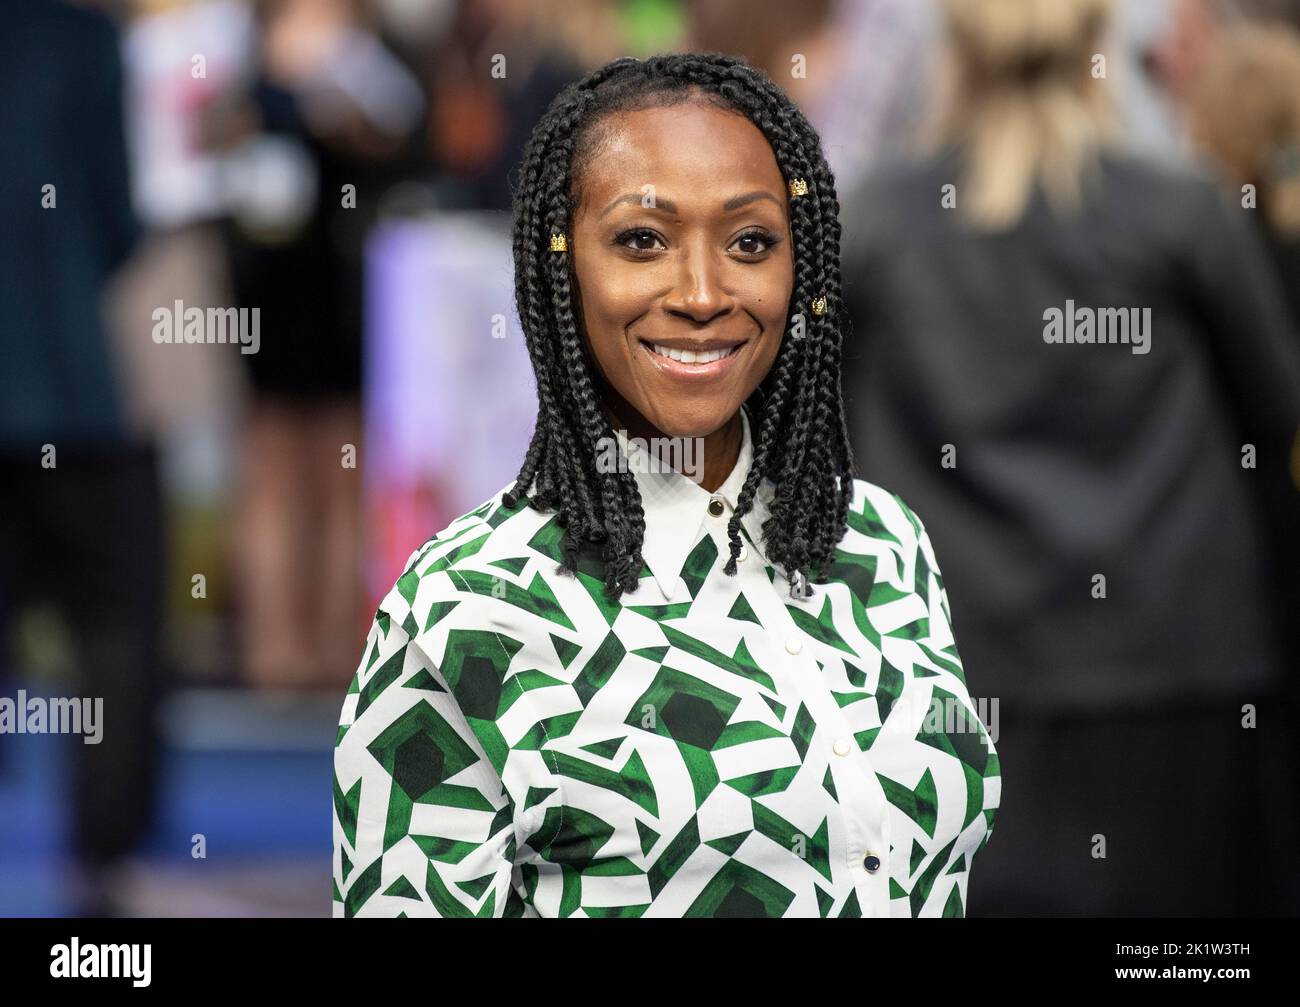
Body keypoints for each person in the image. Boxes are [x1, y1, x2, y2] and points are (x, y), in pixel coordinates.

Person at [331, 53, 999, 918]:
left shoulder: (882, 543)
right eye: (641, 240)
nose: (701, 292)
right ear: (562, 267)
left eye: (750, 241)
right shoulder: (463, 610)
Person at [841, 0, 1300, 914]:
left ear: (952, 53)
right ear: (1099, 49)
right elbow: (1278, 417)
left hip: (948, 676)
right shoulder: (1179, 213)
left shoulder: (879, 223)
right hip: (1175, 674)